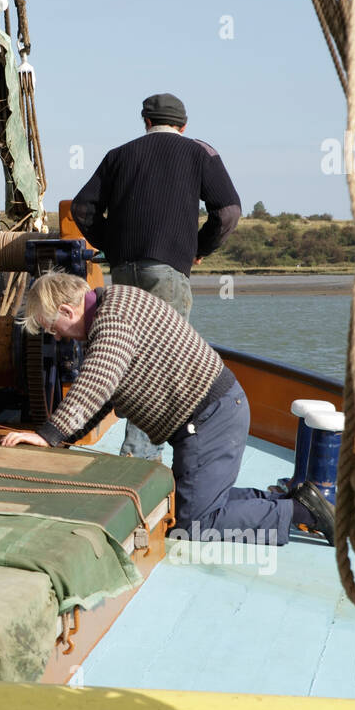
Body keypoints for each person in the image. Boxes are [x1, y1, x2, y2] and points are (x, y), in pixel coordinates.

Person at [0, 272, 334, 546]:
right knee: (191, 501)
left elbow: (98, 381)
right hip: (212, 414)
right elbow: (108, 394)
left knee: (194, 523)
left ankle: (301, 514)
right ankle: (293, 500)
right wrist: (63, 438)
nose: (55, 338)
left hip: (209, 418)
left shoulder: (111, 317)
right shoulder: (111, 306)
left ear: (68, 311)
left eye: (51, 327)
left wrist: (47, 435)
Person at [70, 92, 241, 462]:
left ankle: (133, 451)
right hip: (167, 271)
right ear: (183, 125)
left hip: (125, 268)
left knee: (128, 354)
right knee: (161, 361)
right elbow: (228, 212)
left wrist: (110, 244)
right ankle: (140, 460)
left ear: (145, 121)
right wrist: (200, 247)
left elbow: (82, 208)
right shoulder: (200, 153)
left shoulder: (119, 155)